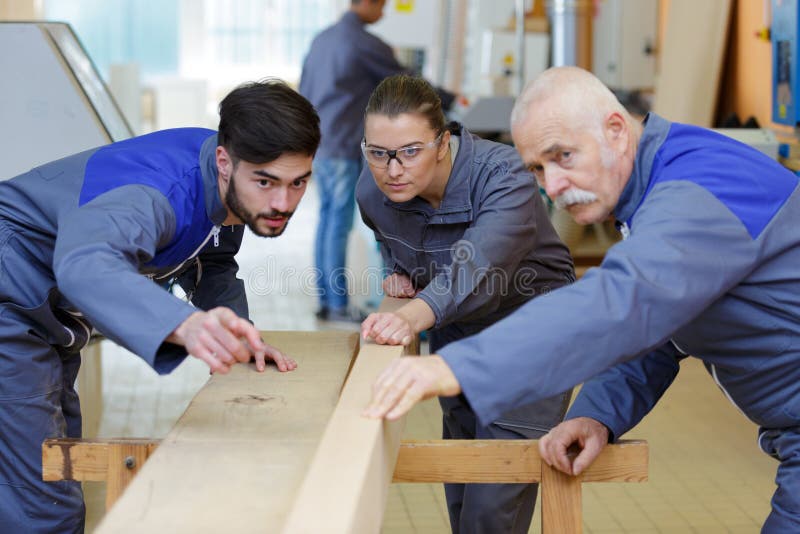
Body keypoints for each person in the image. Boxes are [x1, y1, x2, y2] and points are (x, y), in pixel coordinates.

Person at [363, 66, 800, 533]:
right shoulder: (650, 189)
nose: (552, 187)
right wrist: (598, 414)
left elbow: (622, 302)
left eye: (563, 156)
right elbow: (661, 330)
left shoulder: (699, 188)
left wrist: (457, 367)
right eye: (538, 168)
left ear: (614, 130)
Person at [0, 79, 320, 532]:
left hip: (42, 313)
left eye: (298, 183)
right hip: (10, 299)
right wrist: (184, 324)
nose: (282, 202)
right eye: (266, 182)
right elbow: (86, 264)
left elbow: (211, 260)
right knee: (40, 498)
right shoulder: (157, 194)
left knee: (57, 458)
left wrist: (237, 336)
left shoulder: (226, 184)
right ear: (226, 162)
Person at [358, 75, 575, 534]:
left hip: (529, 340)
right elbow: (388, 235)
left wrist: (411, 316)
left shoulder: (505, 176)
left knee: (492, 509)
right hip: (457, 336)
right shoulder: (371, 188)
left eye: (410, 151)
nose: (392, 169)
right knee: (461, 490)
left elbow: (477, 264)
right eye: (378, 153)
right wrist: (399, 267)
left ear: (442, 142)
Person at [299, 0, 454, 322]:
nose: (384, 12)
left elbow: (304, 89)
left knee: (329, 222)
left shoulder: (322, 39)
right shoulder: (362, 42)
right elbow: (406, 84)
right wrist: (451, 99)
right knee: (343, 224)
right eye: (382, 5)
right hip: (344, 143)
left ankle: (329, 302)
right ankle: (340, 307)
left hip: (321, 143)